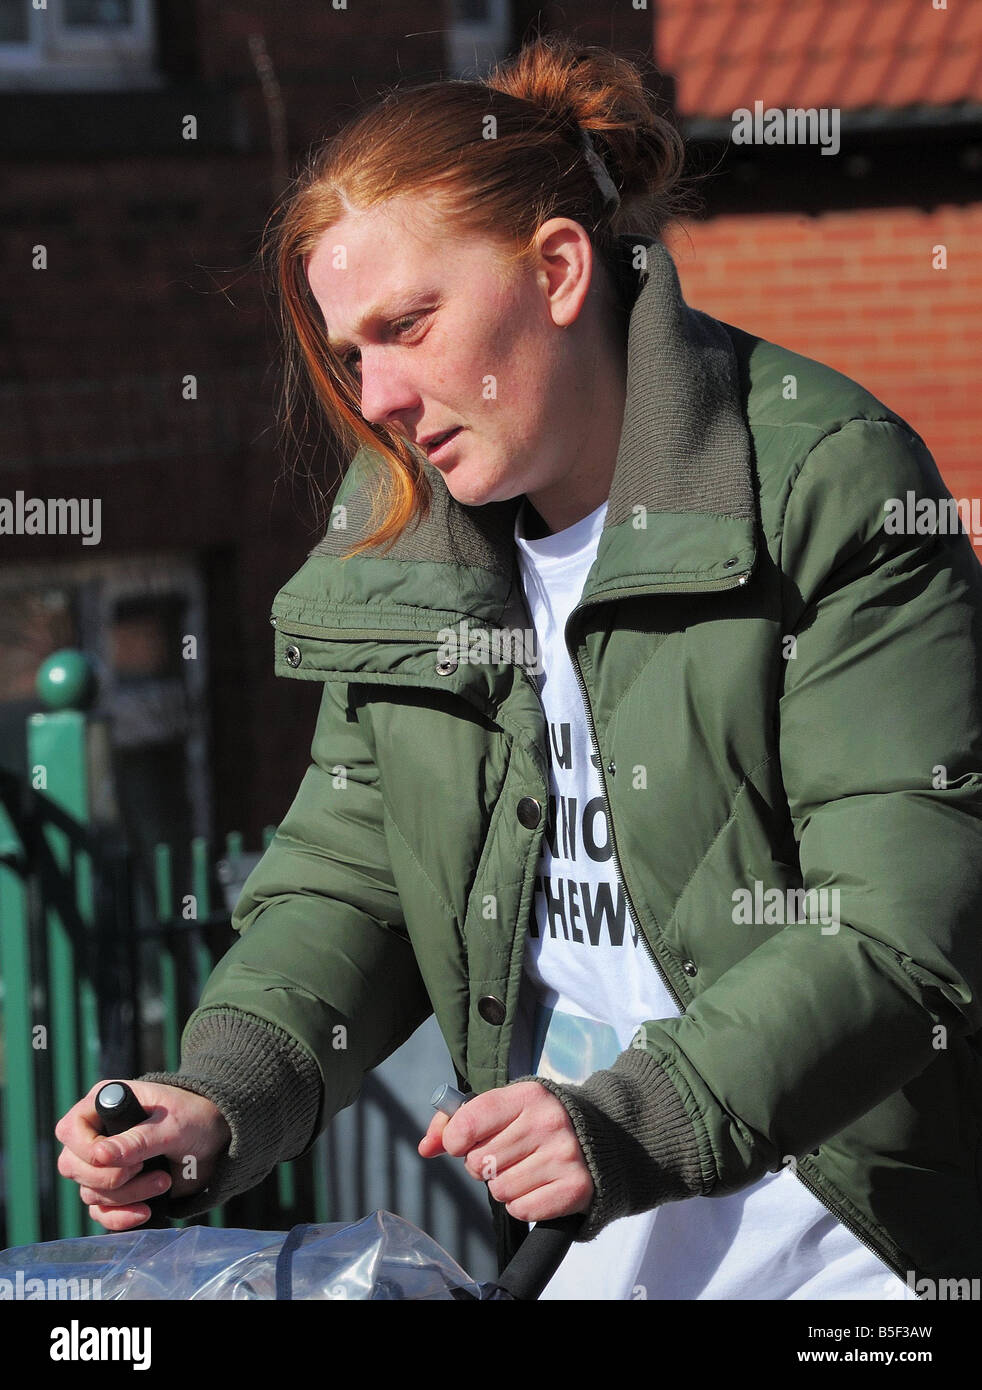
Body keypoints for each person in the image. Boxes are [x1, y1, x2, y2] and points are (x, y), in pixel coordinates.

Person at [56, 34, 982, 1300]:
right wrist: (217, 1096)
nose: (375, 394)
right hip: (589, 1253)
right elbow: (351, 879)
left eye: (408, 327)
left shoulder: (821, 483)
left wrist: (634, 1116)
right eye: (349, 352)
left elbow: (901, 918)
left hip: (855, 1251)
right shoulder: (403, 541)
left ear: (557, 268)